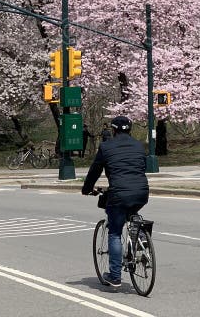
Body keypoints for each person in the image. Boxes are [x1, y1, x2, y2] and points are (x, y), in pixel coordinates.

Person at [81, 115, 149, 288]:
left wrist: (87, 188)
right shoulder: (139, 145)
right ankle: (140, 235)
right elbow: (143, 166)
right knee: (132, 211)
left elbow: (95, 171)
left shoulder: (106, 146)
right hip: (141, 191)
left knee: (115, 232)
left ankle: (115, 276)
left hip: (119, 193)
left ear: (113, 130)